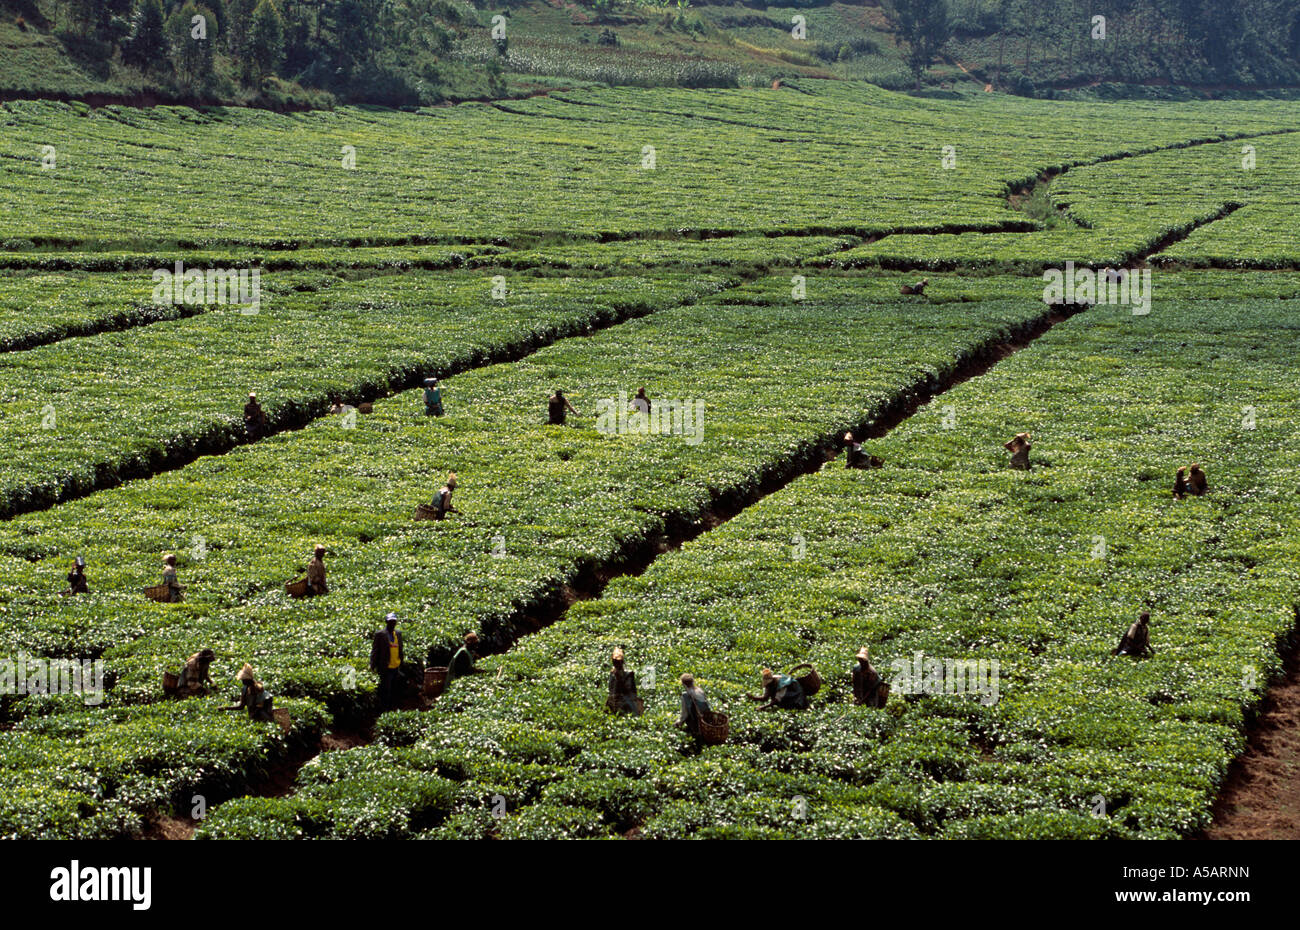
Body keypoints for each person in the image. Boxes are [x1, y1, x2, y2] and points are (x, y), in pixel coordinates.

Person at [370, 613, 405, 710]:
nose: (392, 623)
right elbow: (375, 651)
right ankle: (385, 710)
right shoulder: (380, 634)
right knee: (386, 690)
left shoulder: (398, 634)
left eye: (394, 621)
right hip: (386, 667)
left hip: (396, 666)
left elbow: (400, 649)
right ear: (386, 622)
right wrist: (372, 665)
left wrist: (402, 662)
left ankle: (394, 709)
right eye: (390, 622)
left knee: (395, 689)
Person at [606, 647, 642, 715]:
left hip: (627, 700)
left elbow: (632, 691)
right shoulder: (612, 673)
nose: (617, 664)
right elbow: (611, 688)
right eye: (615, 662)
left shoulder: (629, 674)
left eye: (618, 662)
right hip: (614, 699)